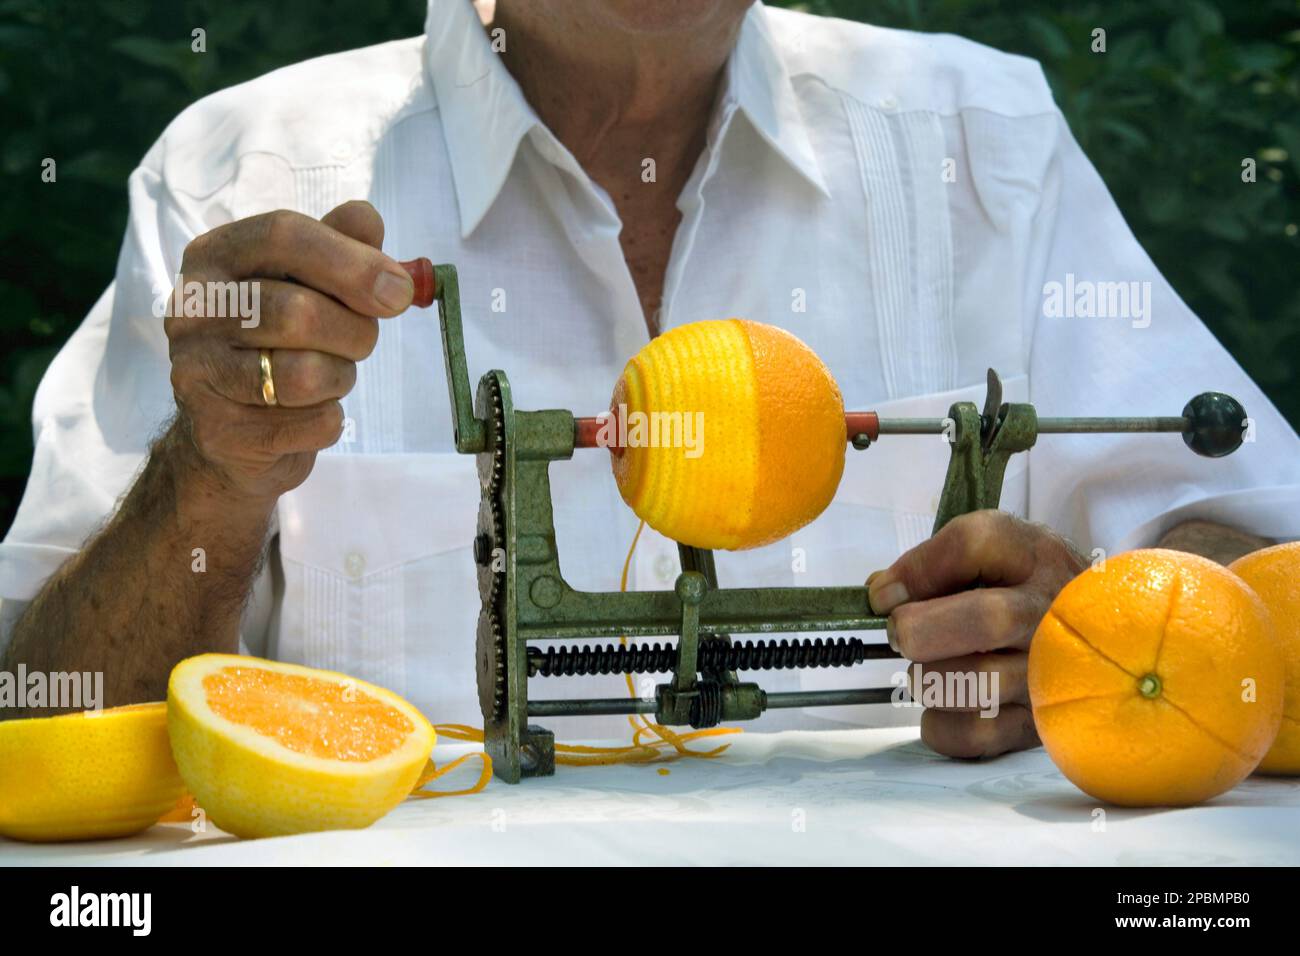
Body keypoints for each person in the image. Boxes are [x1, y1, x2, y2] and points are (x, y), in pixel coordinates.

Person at [2, 0, 1296, 758]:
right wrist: (209, 480)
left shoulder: (980, 140)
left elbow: (1251, 552)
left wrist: (1104, 626)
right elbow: (34, 711)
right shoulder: (244, 166)